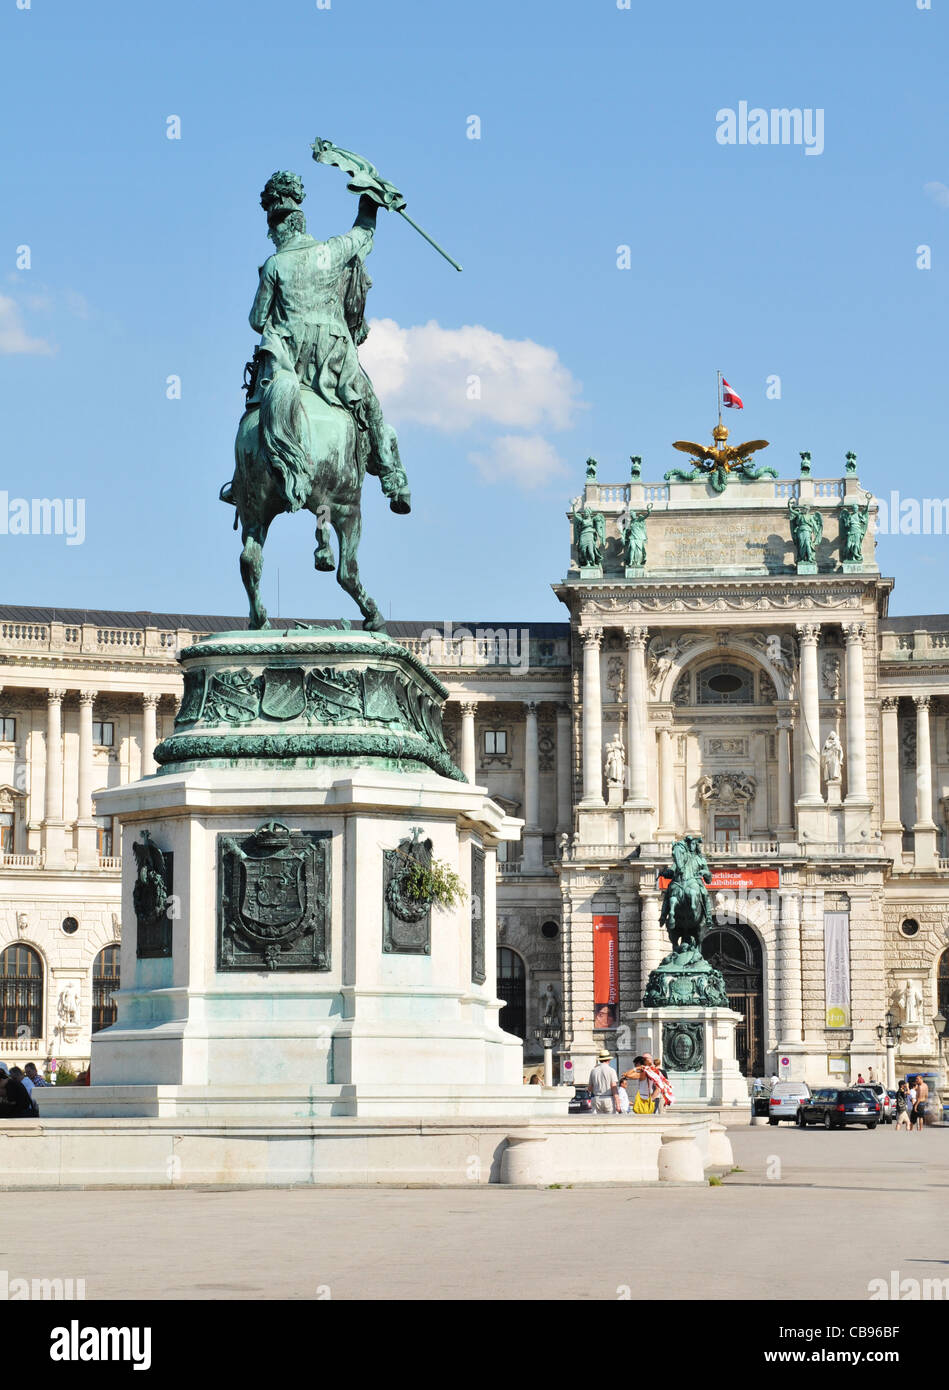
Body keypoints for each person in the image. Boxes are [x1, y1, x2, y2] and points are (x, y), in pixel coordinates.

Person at [588, 1049, 620, 1115]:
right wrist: (618, 1104)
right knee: (610, 1119)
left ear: (600, 1060)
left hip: (597, 1099)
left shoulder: (593, 1071)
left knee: (599, 1119)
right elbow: (614, 1087)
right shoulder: (611, 1070)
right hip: (608, 1099)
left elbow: (590, 1088)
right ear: (609, 1060)